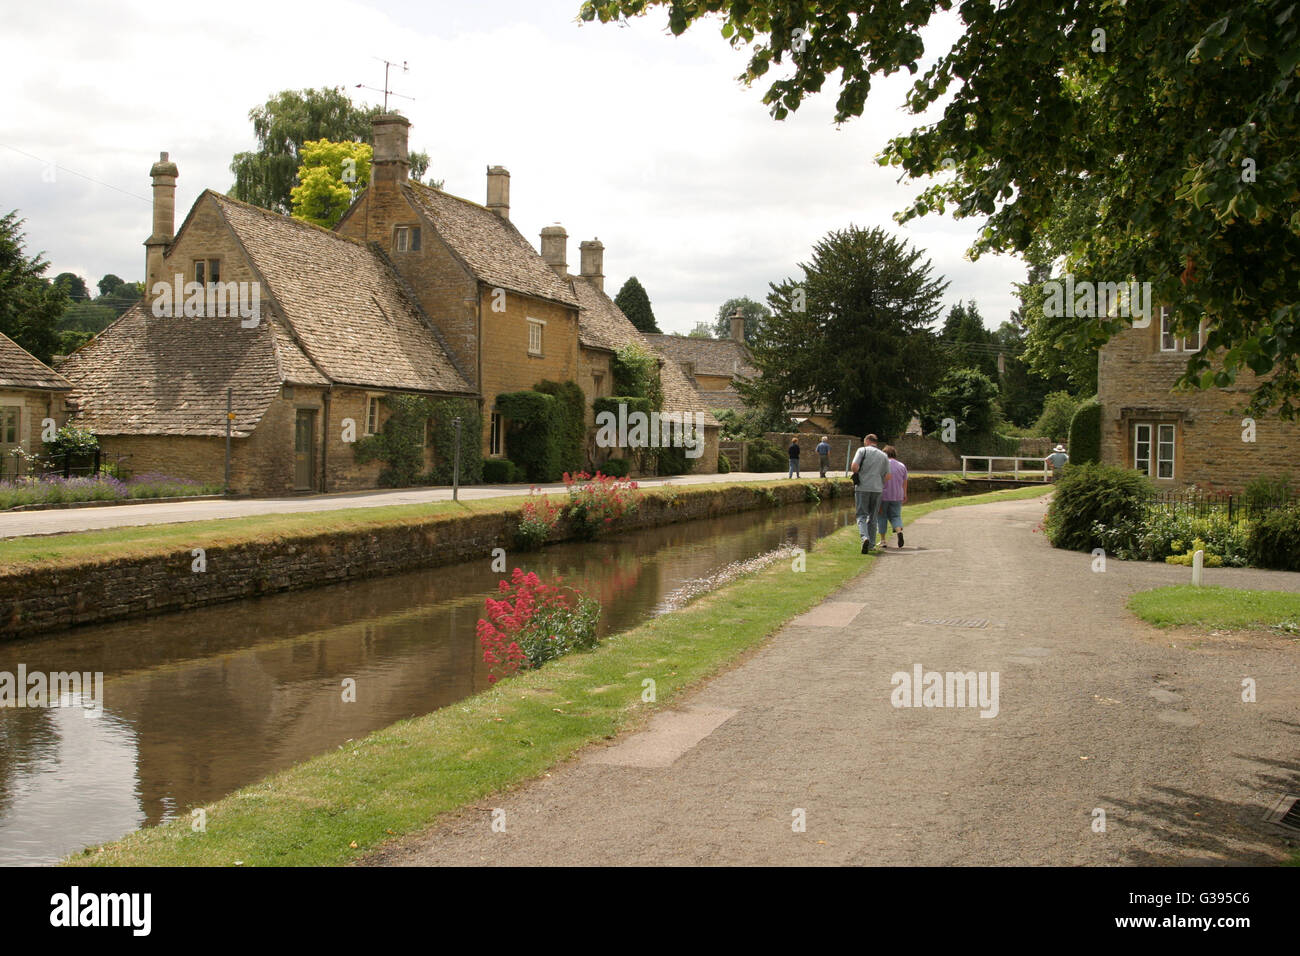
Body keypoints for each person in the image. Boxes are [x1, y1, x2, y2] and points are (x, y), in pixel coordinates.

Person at [851, 434, 891, 554]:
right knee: (873, 518)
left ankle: (864, 538)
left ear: (867, 441)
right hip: (877, 489)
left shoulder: (862, 450)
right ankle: (872, 545)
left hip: (862, 488)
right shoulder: (884, 455)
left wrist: (860, 473)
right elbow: (888, 476)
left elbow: (854, 467)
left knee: (861, 515)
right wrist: (879, 482)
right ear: (876, 442)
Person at [877, 445, 909, 549]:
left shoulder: (881, 465)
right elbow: (904, 482)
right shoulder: (902, 465)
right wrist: (904, 494)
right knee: (896, 516)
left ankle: (883, 541)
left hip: (883, 496)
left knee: (881, 517)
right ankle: (899, 531)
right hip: (897, 495)